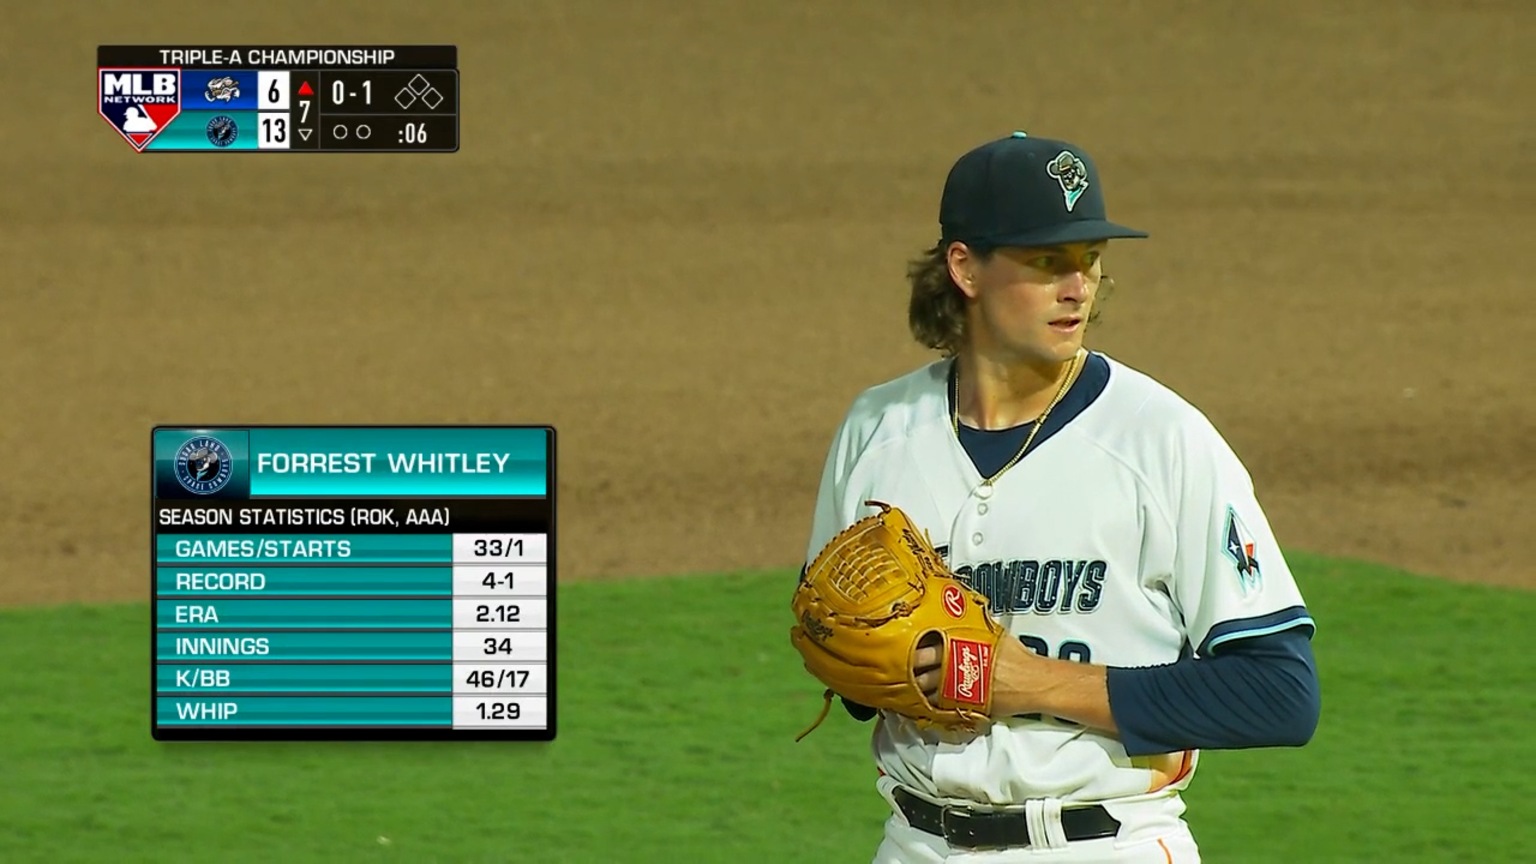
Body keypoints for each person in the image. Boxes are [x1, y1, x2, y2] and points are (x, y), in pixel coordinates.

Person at [802, 131, 1320, 863]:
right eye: (1047, 263)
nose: (1078, 287)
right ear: (965, 268)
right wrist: (888, 663)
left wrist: (1028, 681)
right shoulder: (876, 432)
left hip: (1104, 845)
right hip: (915, 844)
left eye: (1089, 262)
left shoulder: (1162, 439)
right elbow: (848, 658)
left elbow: (1279, 695)